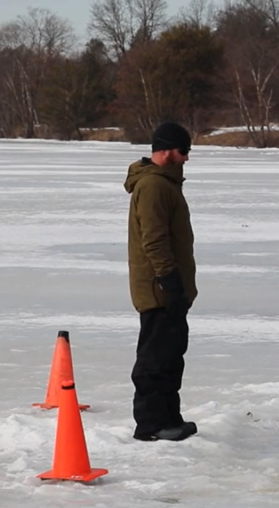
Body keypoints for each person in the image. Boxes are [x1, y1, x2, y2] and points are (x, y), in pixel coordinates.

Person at [125, 122, 199, 442]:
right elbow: (154, 240)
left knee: (171, 356)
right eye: (184, 151)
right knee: (155, 360)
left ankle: (169, 418)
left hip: (170, 288)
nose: (186, 158)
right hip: (159, 290)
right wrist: (170, 282)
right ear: (166, 150)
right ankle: (150, 424)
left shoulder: (166, 184)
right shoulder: (154, 186)